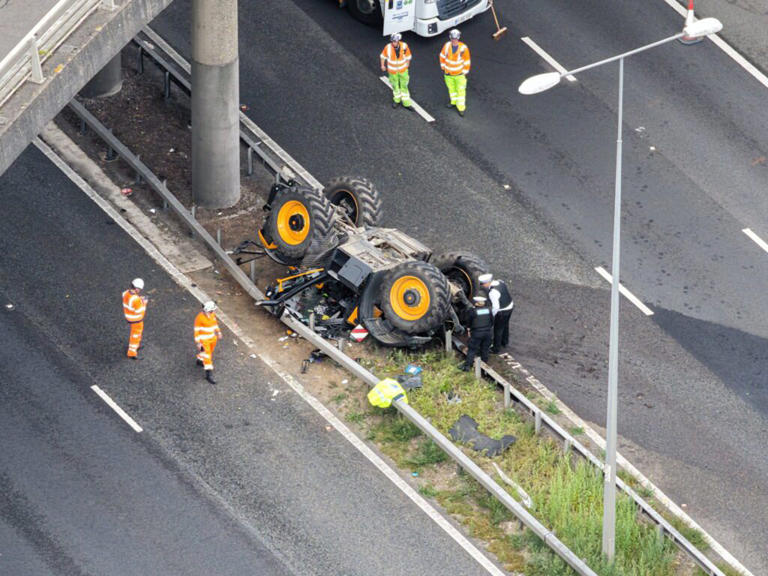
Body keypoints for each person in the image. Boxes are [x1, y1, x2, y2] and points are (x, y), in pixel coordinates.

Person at [479, 273, 514, 353]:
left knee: (498, 329)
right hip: (510, 306)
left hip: (502, 311)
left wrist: (491, 316)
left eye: (482, 284)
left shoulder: (493, 292)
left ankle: (496, 348)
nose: (482, 286)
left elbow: (496, 307)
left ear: (487, 283)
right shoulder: (500, 282)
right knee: (505, 325)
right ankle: (505, 342)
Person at [439, 29, 471, 117]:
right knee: (452, 89)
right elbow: (442, 56)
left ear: (458, 38)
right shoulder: (446, 46)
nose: (454, 40)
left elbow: (467, 61)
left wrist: (464, 72)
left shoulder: (463, 48)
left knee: (460, 91)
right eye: (452, 38)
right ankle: (453, 102)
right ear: (450, 38)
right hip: (448, 74)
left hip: (459, 75)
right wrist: (443, 67)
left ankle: (461, 108)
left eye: (455, 39)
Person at [380, 32, 413, 109]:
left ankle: (406, 103)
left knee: (404, 86)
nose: (393, 43)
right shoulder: (387, 47)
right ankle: (396, 100)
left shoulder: (404, 46)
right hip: (392, 71)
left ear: (398, 41)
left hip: (403, 70)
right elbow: (383, 57)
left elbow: (408, 56)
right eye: (392, 41)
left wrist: (407, 64)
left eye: (395, 41)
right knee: (395, 86)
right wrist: (382, 65)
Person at [461, 295, 493, 371]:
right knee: (485, 348)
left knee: (472, 349)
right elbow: (492, 321)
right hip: (488, 333)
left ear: (476, 303)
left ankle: (468, 366)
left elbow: (468, 322)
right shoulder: (489, 310)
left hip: (477, 333)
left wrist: (469, 330)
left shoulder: (472, 311)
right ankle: (484, 364)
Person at [195, 301, 223, 384]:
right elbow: (196, 331)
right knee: (208, 357)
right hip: (204, 341)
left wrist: (218, 332)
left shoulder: (212, 315)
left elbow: (215, 324)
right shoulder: (199, 318)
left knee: (209, 352)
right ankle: (208, 375)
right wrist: (198, 342)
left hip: (212, 338)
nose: (213, 312)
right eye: (212, 311)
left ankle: (199, 360)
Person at [122, 278, 147, 359]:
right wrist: (144, 303)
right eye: (139, 289)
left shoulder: (125, 293)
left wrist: (139, 299)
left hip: (129, 317)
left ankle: (136, 346)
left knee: (136, 334)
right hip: (136, 320)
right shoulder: (136, 300)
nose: (140, 291)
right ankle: (132, 352)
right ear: (136, 289)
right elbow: (140, 311)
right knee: (135, 335)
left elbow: (131, 301)